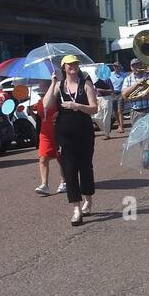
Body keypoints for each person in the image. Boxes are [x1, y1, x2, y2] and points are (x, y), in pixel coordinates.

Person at [43, 55, 98, 225]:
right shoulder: (59, 86)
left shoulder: (85, 83)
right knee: (69, 168)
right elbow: (46, 105)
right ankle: (76, 208)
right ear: (63, 67)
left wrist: (77, 106)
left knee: (85, 166)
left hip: (84, 131)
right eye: (70, 64)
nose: (73, 66)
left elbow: (94, 108)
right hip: (64, 134)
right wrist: (52, 83)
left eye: (75, 64)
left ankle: (88, 199)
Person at [33, 81, 67, 196]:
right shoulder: (38, 103)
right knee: (43, 158)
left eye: (42, 92)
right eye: (39, 92)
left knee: (61, 158)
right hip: (45, 134)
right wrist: (32, 113)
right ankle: (44, 185)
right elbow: (41, 118)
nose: (40, 94)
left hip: (57, 132)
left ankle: (64, 181)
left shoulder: (57, 100)